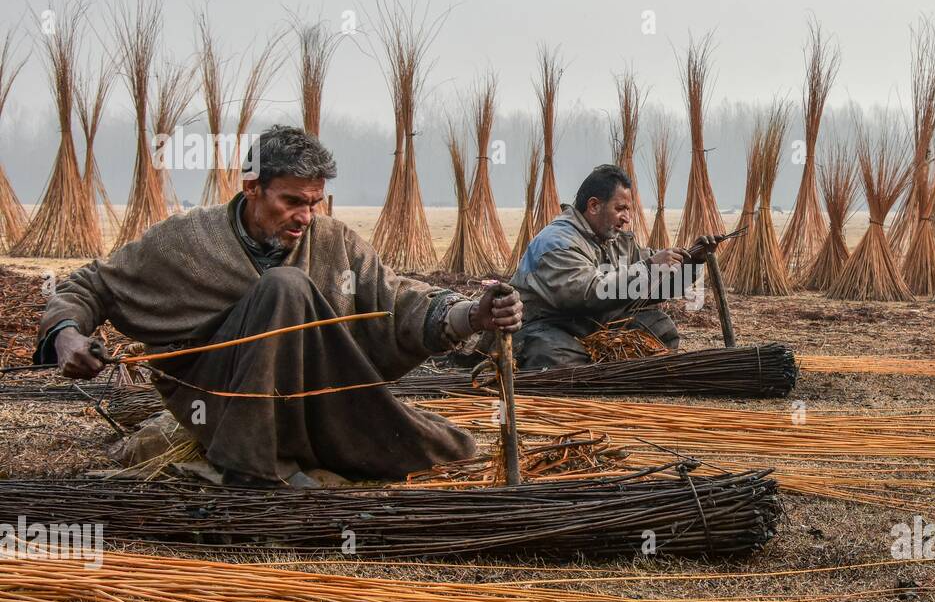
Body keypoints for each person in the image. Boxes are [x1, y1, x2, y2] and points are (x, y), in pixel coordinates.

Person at [37, 125, 522, 486]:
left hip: (312, 396)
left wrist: (469, 314)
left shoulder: (331, 240)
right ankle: (254, 468)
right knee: (285, 287)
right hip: (220, 398)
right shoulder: (186, 242)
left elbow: (395, 298)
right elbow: (91, 284)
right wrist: (66, 333)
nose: (305, 217)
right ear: (251, 188)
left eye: (314, 203)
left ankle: (306, 449)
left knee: (447, 449)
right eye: (292, 201)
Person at [510, 164, 717, 370]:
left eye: (628, 209)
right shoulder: (557, 243)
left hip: (594, 326)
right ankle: (598, 370)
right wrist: (649, 267)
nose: (627, 218)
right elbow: (588, 292)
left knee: (660, 329)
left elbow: (651, 285)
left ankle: (605, 370)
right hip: (549, 325)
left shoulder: (614, 240)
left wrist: (692, 261)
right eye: (620, 209)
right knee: (556, 356)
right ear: (594, 206)